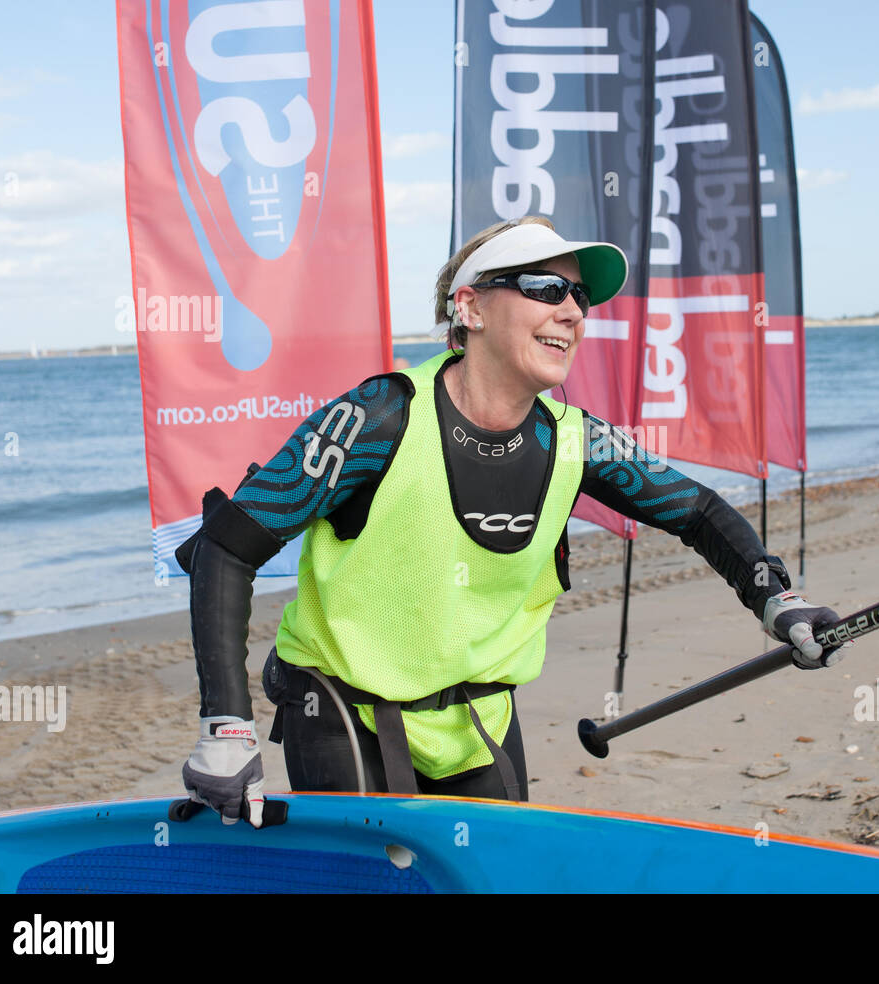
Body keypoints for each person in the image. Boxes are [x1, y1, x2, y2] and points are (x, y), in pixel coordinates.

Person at [175, 216, 840, 827]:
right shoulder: (380, 419)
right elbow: (226, 551)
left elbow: (697, 512)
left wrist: (776, 598)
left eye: (581, 298)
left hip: (479, 715)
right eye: (548, 287)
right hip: (342, 705)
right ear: (470, 308)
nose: (573, 313)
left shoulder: (575, 440)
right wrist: (226, 728)